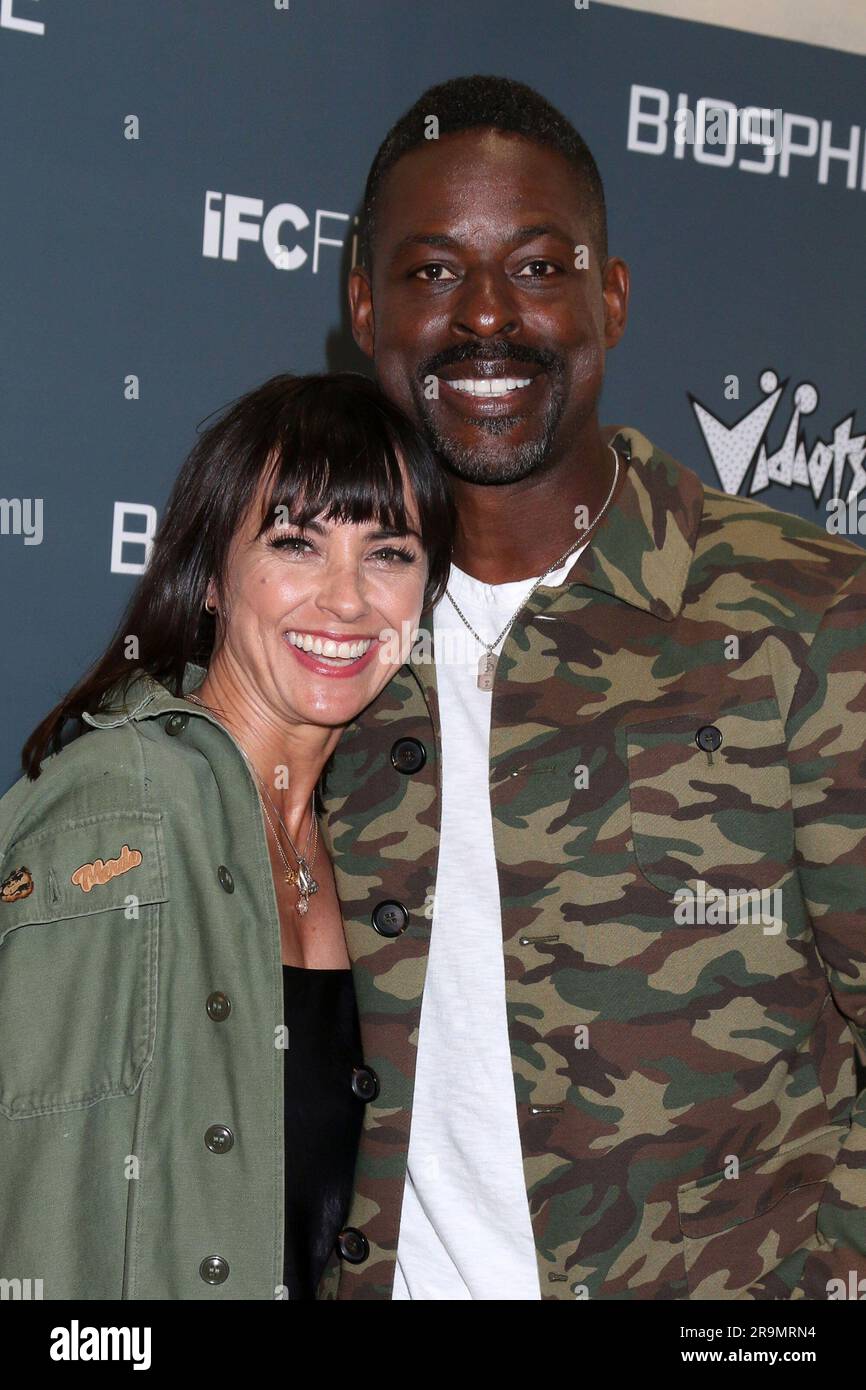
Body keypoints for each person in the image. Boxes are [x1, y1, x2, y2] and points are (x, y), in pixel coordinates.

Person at [316, 74, 866, 1301]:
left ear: (607, 300)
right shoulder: (317, 649)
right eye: (430, 272)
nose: (486, 318)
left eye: (538, 266)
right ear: (363, 305)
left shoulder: (806, 613)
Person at [0, 371, 454, 1299]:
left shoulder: (378, 844)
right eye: (296, 544)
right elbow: (37, 1212)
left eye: (389, 553)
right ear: (211, 576)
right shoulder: (115, 815)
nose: (346, 601)